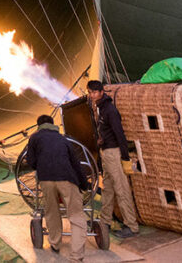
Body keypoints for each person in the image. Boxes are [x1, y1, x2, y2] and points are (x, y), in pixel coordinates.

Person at [25, 114, 91, 260]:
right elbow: (76, 164)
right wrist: (84, 184)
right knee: (76, 215)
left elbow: (31, 161)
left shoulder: (34, 138)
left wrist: (41, 166)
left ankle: (55, 243)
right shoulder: (63, 139)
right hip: (66, 178)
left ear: (39, 126)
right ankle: (76, 255)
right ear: (53, 125)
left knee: (52, 212)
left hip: (46, 179)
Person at [87, 79, 140, 239]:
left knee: (121, 189)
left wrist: (125, 158)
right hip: (106, 153)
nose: (92, 95)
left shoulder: (110, 110)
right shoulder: (100, 108)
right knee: (108, 188)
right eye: (90, 92)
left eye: (94, 92)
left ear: (101, 92)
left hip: (114, 153)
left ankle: (132, 226)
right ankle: (105, 221)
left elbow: (120, 134)